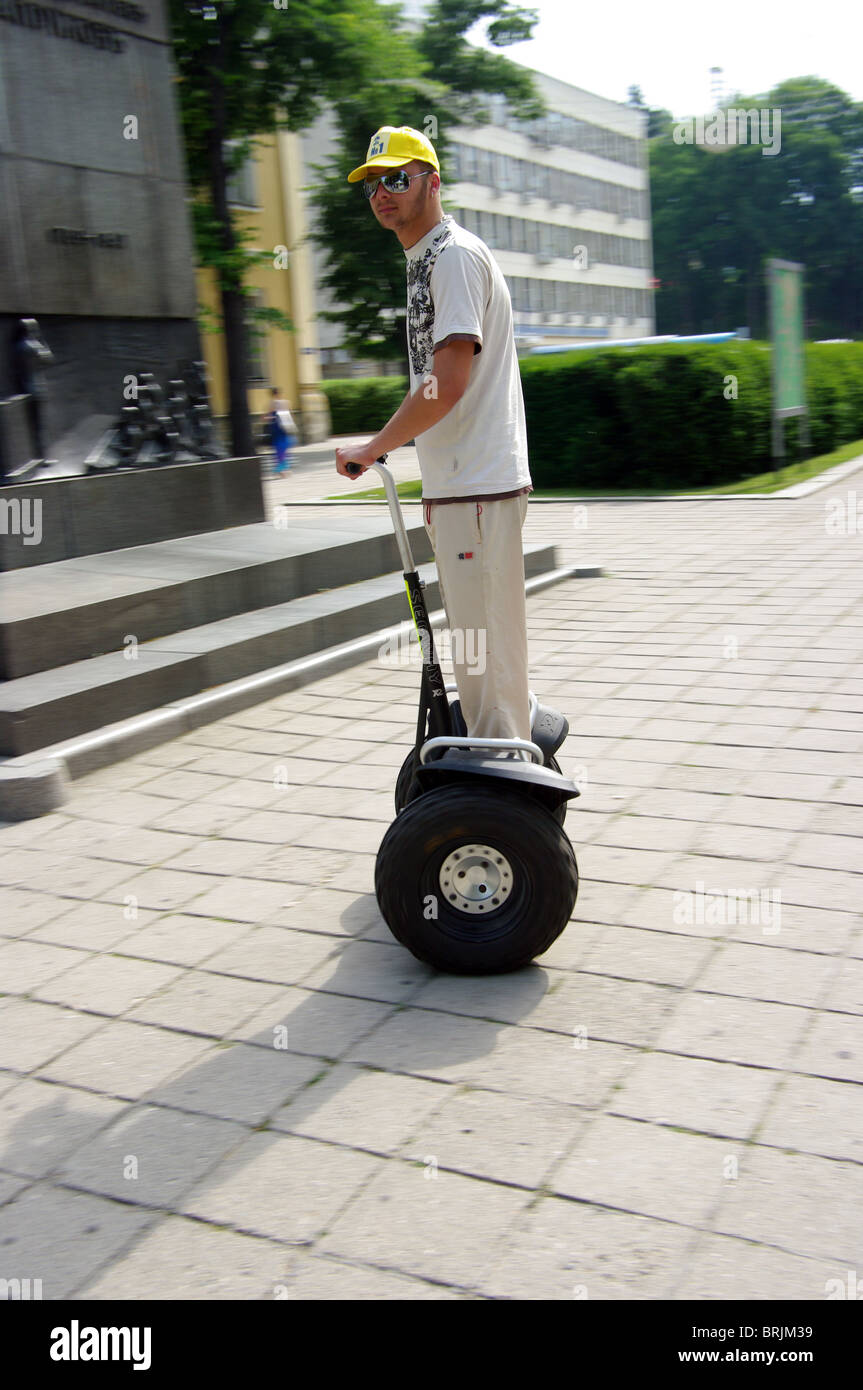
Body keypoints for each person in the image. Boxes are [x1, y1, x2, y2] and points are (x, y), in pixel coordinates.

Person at [335, 126, 533, 746]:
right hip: (463, 488)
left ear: (432, 180)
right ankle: (495, 772)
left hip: (478, 489)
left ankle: (502, 793)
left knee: (485, 660)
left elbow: (445, 384)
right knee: (479, 651)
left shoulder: (451, 257)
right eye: (373, 184)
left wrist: (375, 448)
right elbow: (442, 389)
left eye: (398, 177)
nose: (382, 194)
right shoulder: (429, 258)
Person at [269, 388, 296, 474]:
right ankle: (284, 465)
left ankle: (281, 465)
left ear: (272, 394)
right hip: (285, 427)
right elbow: (291, 414)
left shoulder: (272, 404)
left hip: (276, 427)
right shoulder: (286, 402)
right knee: (285, 445)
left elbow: (267, 416)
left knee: (278, 446)